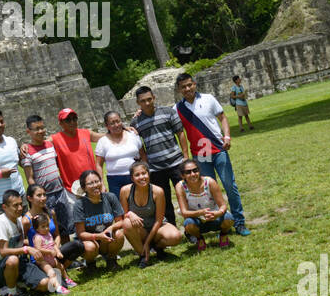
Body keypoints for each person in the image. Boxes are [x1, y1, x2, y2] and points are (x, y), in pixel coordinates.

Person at [175, 72, 249, 237]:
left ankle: (239, 222)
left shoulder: (208, 98)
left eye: (189, 85)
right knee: (208, 189)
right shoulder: (178, 109)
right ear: (179, 90)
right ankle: (218, 222)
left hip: (218, 148)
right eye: (183, 87)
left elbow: (222, 117)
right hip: (201, 153)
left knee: (230, 186)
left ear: (194, 84)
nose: (187, 89)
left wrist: (227, 136)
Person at [20, 114, 80, 257]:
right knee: (47, 228)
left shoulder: (50, 144)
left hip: (59, 191)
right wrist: (39, 197)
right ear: (28, 131)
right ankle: (51, 257)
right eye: (36, 129)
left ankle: (67, 257)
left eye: (42, 128)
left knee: (64, 227)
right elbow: (30, 178)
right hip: (44, 196)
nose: (40, 131)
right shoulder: (27, 151)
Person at [129, 85, 189, 226]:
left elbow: (180, 132)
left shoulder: (168, 112)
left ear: (154, 98)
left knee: (185, 196)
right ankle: (172, 228)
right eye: (143, 101)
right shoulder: (135, 122)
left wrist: (185, 156)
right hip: (155, 167)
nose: (147, 103)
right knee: (164, 200)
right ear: (138, 102)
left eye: (149, 99)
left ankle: (191, 228)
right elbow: (137, 143)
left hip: (176, 162)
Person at [0, 189, 56, 296]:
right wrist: (26, 249)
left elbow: (22, 242)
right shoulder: (1, 222)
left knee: (46, 284)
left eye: (20, 204)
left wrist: (39, 246)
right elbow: (3, 251)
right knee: (12, 260)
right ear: (5, 207)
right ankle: (12, 295)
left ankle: (21, 284)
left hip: (21, 264)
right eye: (15, 205)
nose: (19, 208)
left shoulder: (18, 220)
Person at [119, 160, 185, 267]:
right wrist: (130, 214)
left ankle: (157, 248)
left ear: (148, 174)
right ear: (132, 178)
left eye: (144, 173)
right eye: (137, 175)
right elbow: (124, 216)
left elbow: (159, 220)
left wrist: (147, 243)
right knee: (127, 223)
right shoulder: (125, 191)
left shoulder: (158, 191)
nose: (141, 177)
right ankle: (143, 255)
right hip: (140, 229)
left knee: (176, 237)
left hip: (157, 227)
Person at [72, 169, 130, 270]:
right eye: (90, 183)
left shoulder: (110, 197)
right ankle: (90, 263)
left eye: (97, 181)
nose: (95, 185)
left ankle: (111, 260)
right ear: (84, 187)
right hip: (89, 241)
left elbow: (120, 221)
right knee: (90, 248)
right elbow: (81, 234)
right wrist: (98, 236)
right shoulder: (79, 205)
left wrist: (110, 229)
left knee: (119, 235)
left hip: (107, 237)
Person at [25, 184, 79, 290]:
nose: (43, 198)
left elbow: (57, 235)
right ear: (30, 198)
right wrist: (37, 247)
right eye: (39, 195)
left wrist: (56, 248)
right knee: (49, 284)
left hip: (54, 251)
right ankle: (53, 278)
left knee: (77, 245)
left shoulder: (50, 213)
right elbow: (23, 241)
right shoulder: (26, 220)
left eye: (44, 195)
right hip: (40, 257)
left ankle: (63, 275)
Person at [174, 160, 234, 250]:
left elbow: (223, 205)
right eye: (188, 172)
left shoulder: (210, 182)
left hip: (215, 216)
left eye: (195, 170)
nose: (193, 174)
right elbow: (184, 212)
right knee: (188, 224)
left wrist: (218, 213)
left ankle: (223, 234)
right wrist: (200, 213)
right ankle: (199, 238)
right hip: (197, 220)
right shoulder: (180, 187)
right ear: (182, 176)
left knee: (229, 219)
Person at [94, 110, 147, 198]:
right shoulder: (102, 142)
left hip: (136, 177)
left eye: (118, 121)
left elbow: (143, 155)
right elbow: (99, 165)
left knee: (140, 203)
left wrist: (145, 173)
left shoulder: (133, 135)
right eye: (112, 123)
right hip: (115, 181)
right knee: (120, 208)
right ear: (107, 126)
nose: (116, 125)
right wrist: (101, 184)